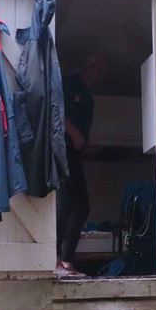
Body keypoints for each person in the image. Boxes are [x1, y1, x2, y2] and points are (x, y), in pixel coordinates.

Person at [55, 53, 108, 278]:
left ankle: (66, 260)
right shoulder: (69, 83)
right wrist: (74, 133)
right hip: (62, 150)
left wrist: (86, 145)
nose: (101, 76)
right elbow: (57, 111)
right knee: (67, 202)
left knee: (81, 206)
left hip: (74, 153)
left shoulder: (88, 95)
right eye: (100, 69)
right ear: (90, 64)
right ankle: (55, 259)